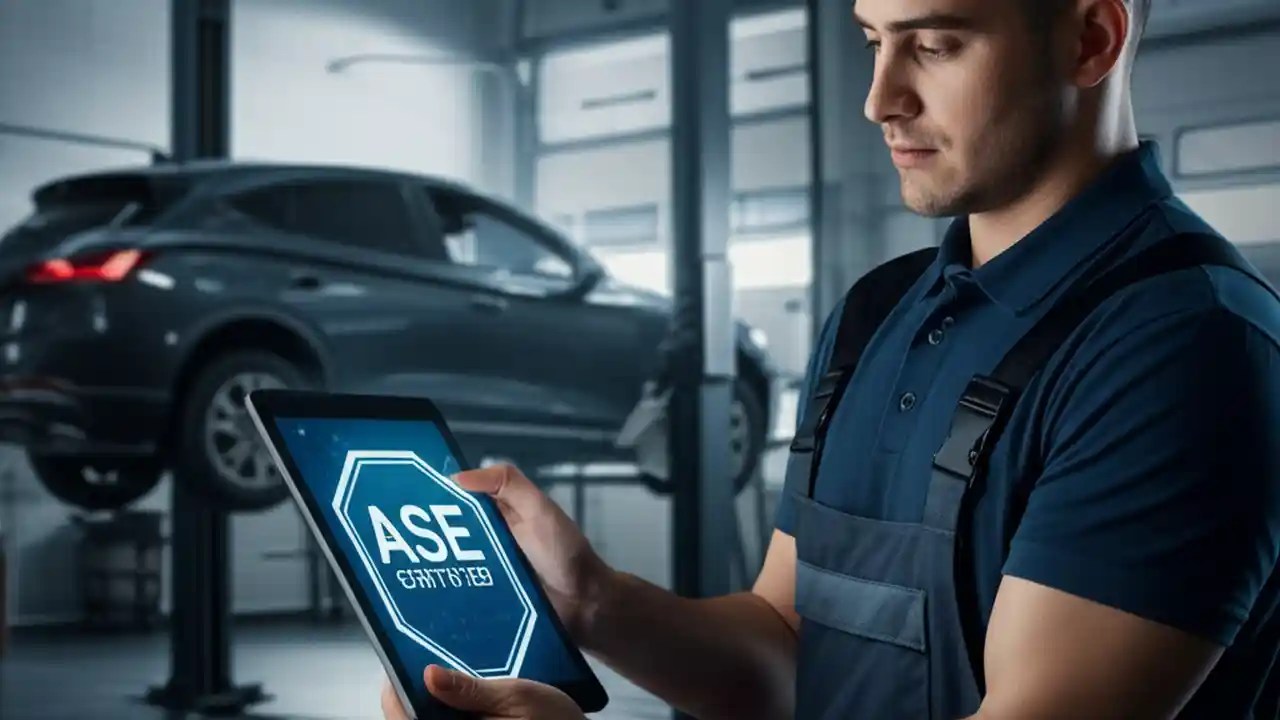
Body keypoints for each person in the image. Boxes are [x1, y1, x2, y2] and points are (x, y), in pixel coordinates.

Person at [383, 0, 1280, 717]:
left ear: (1090, 38)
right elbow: (785, 646)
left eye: (933, 43)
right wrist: (593, 603)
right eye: (871, 40)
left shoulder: (1186, 345)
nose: (880, 97)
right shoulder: (877, 313)